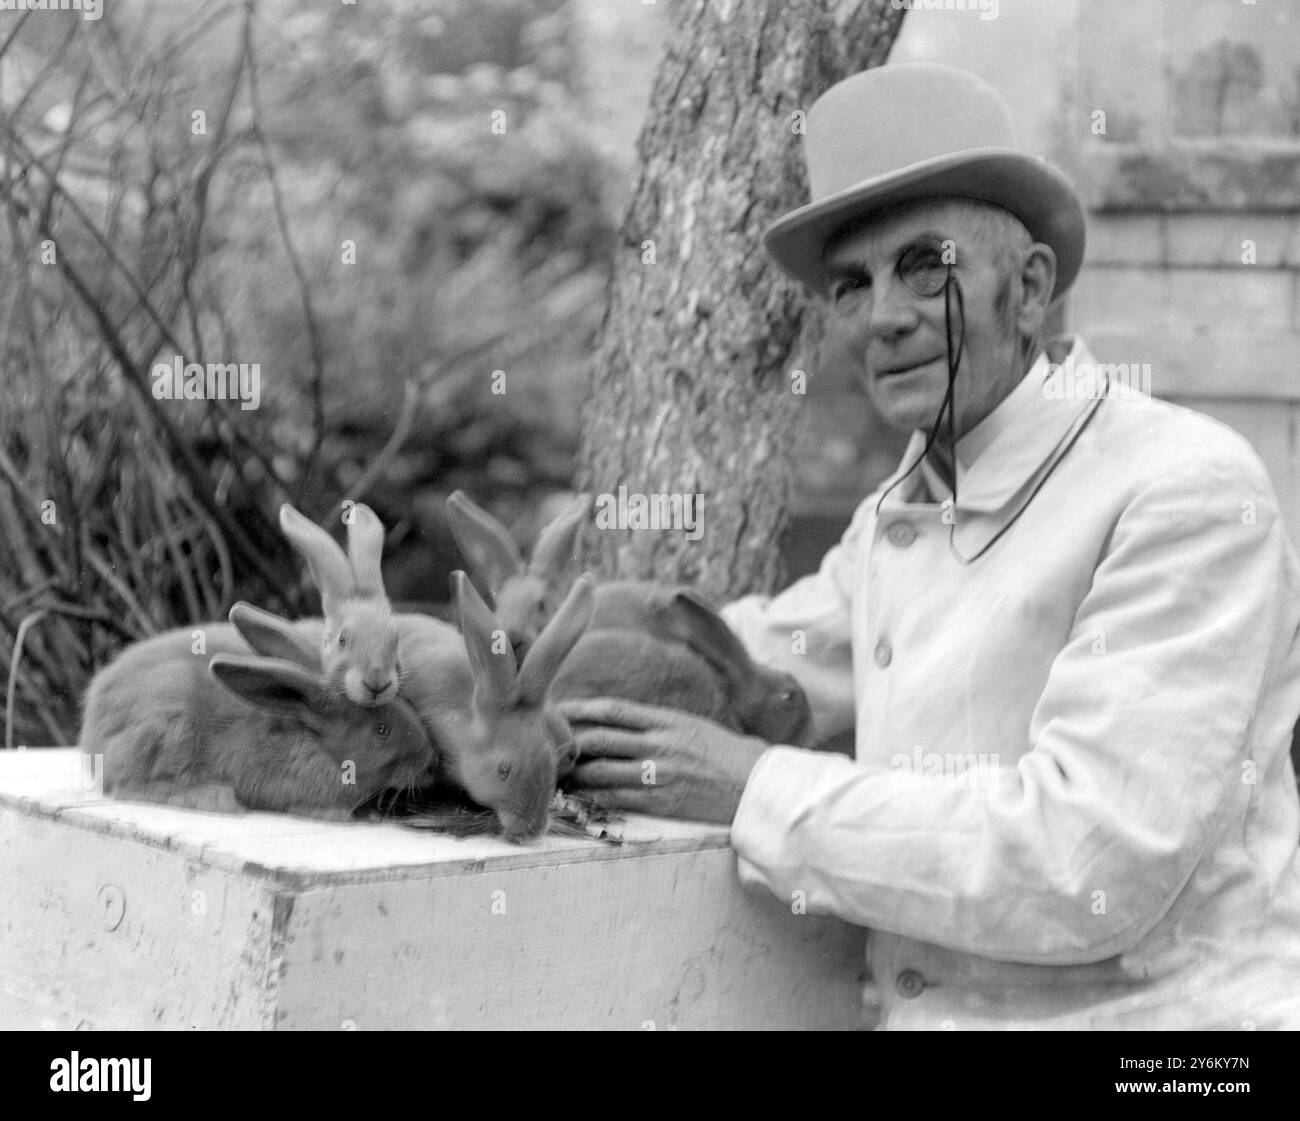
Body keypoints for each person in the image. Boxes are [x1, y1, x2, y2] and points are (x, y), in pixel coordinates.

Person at [561, 62, 1300, 1030]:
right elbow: (746, 658)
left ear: (1029, 287)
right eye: (850, 285)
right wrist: (470, 679)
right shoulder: (898, 516)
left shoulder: (1182, 485)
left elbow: (1085, 859)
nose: (884, 315)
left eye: (926, 265)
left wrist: (752, 787)